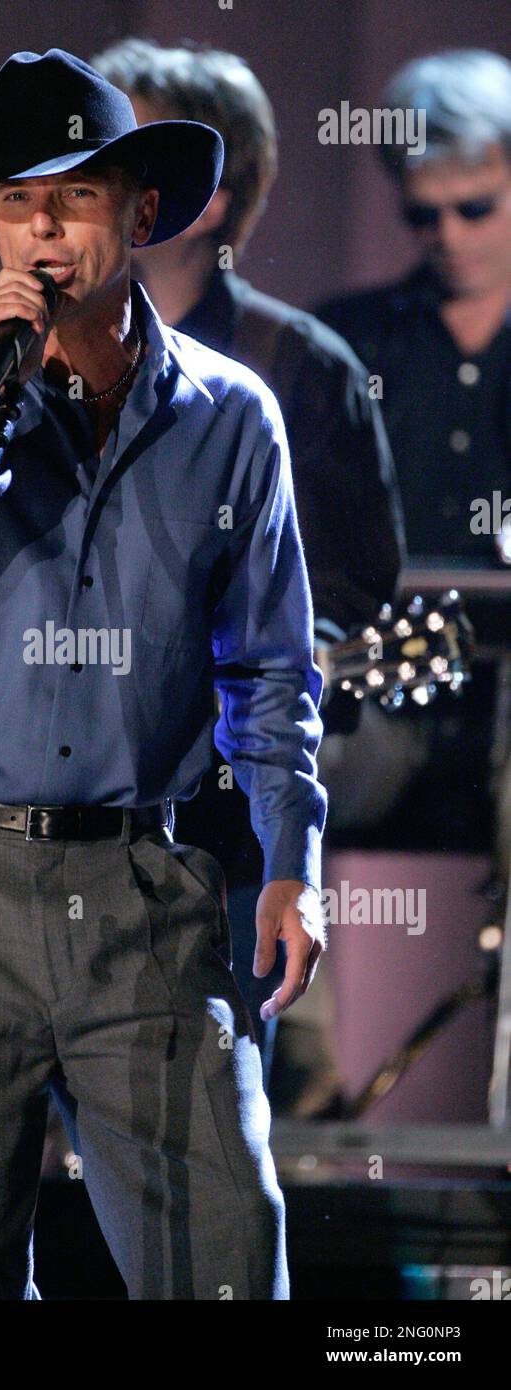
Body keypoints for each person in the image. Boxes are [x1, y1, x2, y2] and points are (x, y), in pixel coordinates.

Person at [0, 47, 326, 1300]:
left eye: (75, 195)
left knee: (224, 1257)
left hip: (140, 887)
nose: (42, 228)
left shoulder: (231, 418)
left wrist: (291, 863)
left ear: (141, 213)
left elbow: (271, 666)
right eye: (15, 199)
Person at [91, 38, 405, 1092]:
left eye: (119, 148)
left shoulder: (295, 369)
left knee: (196, 1161)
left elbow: (347, 591)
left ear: (203, 197)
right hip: (8, 842)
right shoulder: (5, 349)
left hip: (204, 838)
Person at [316, 50, 511, 856]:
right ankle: (264, 982)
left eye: (475, 206)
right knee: (245, 769)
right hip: (376, 697)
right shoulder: (346, 342)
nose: (448, 235)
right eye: (421, 215)